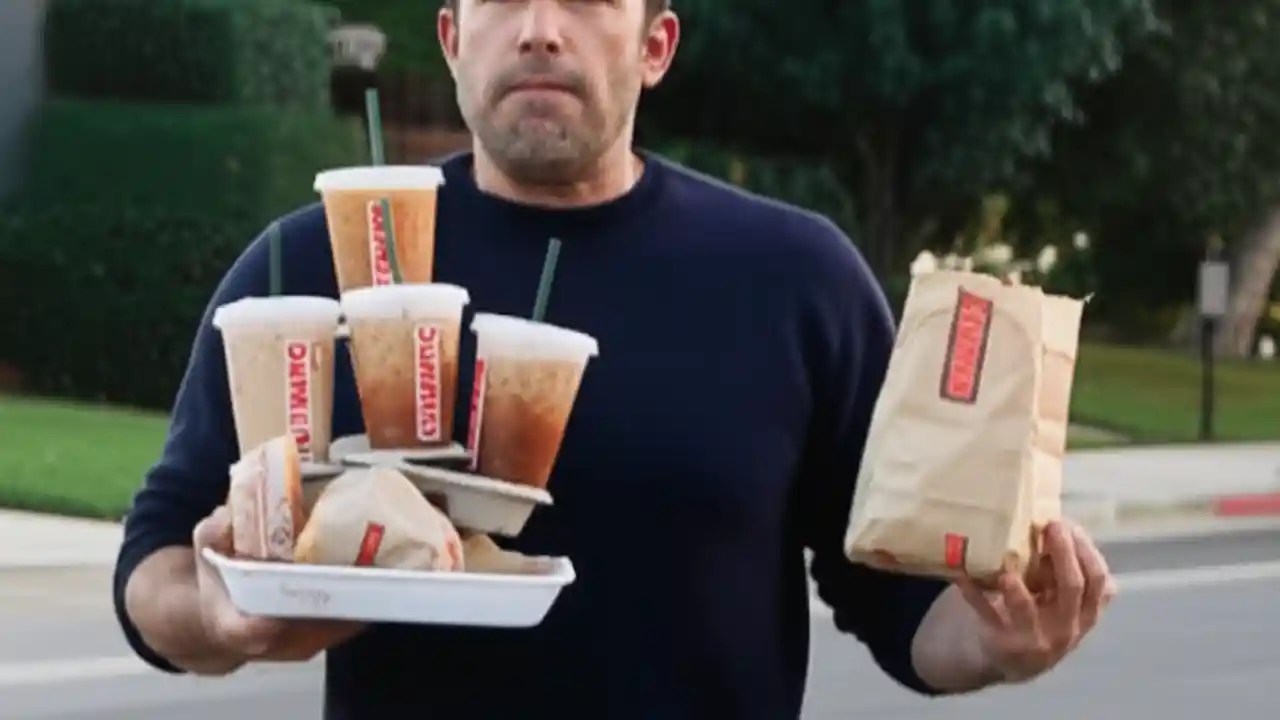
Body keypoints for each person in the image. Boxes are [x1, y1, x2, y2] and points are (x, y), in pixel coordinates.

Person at [113, 0, 1118, 717]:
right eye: (502, 1)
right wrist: (215, 612)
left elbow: (902, 610)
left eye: (587, 1)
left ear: (655, 44)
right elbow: (153, 568)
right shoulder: (319, 262)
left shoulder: (792, 278)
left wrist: (996, 640)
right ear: (453, 39)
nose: (541, 26)